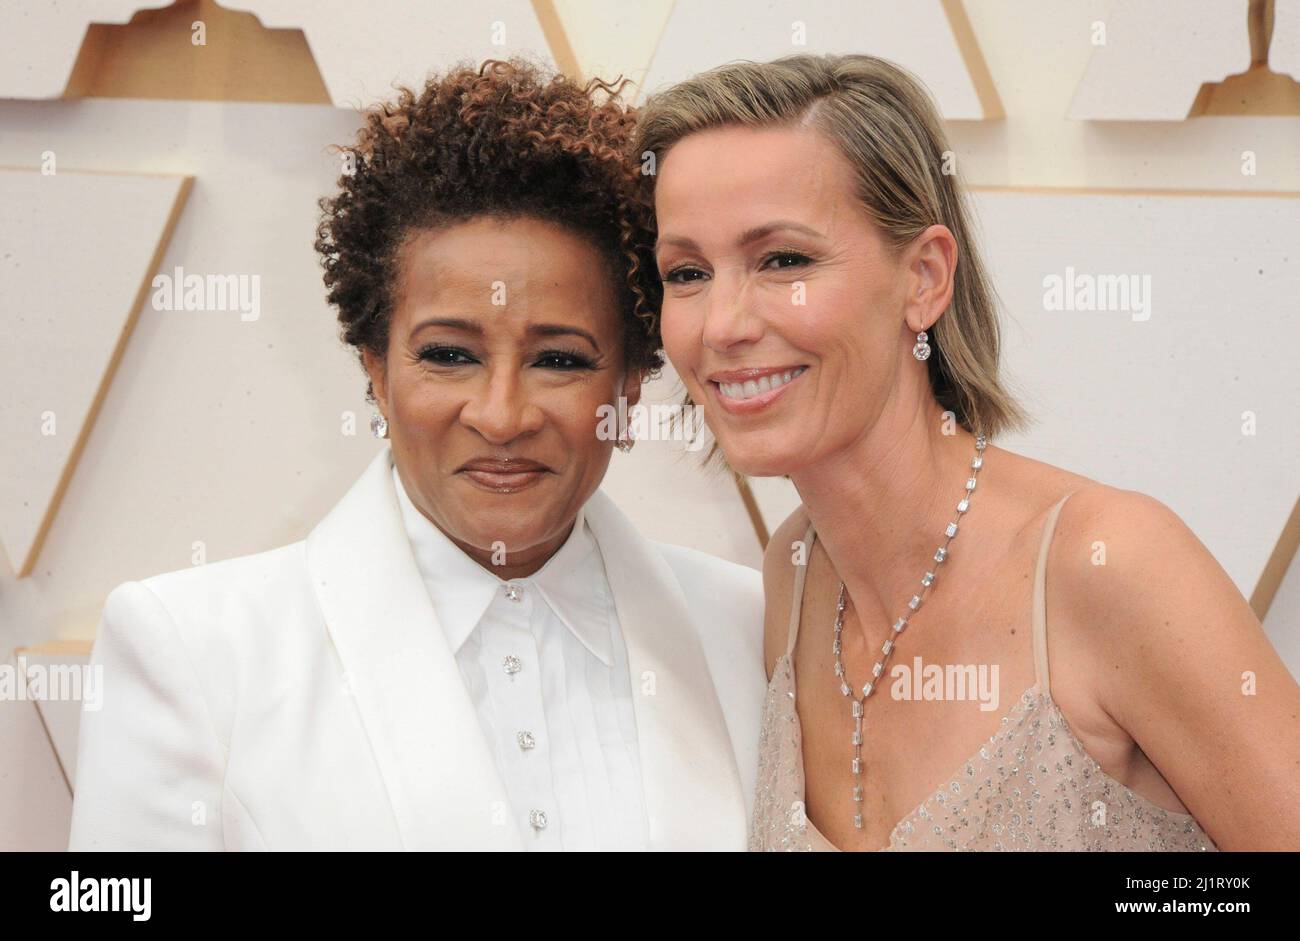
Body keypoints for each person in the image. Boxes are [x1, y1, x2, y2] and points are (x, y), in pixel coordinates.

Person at [68, 59, 765, 851]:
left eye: (561, 360)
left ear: (633, 378)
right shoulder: (192, 651)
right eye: (449, 355)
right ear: (375, 364)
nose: (502, 415)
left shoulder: (748, 628)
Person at [636, 53, 1300, 851]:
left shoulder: (1107, 564)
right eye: (687, 272)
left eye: (784, 261)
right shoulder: (796, 578)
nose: (722, 324)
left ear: (924, 277)